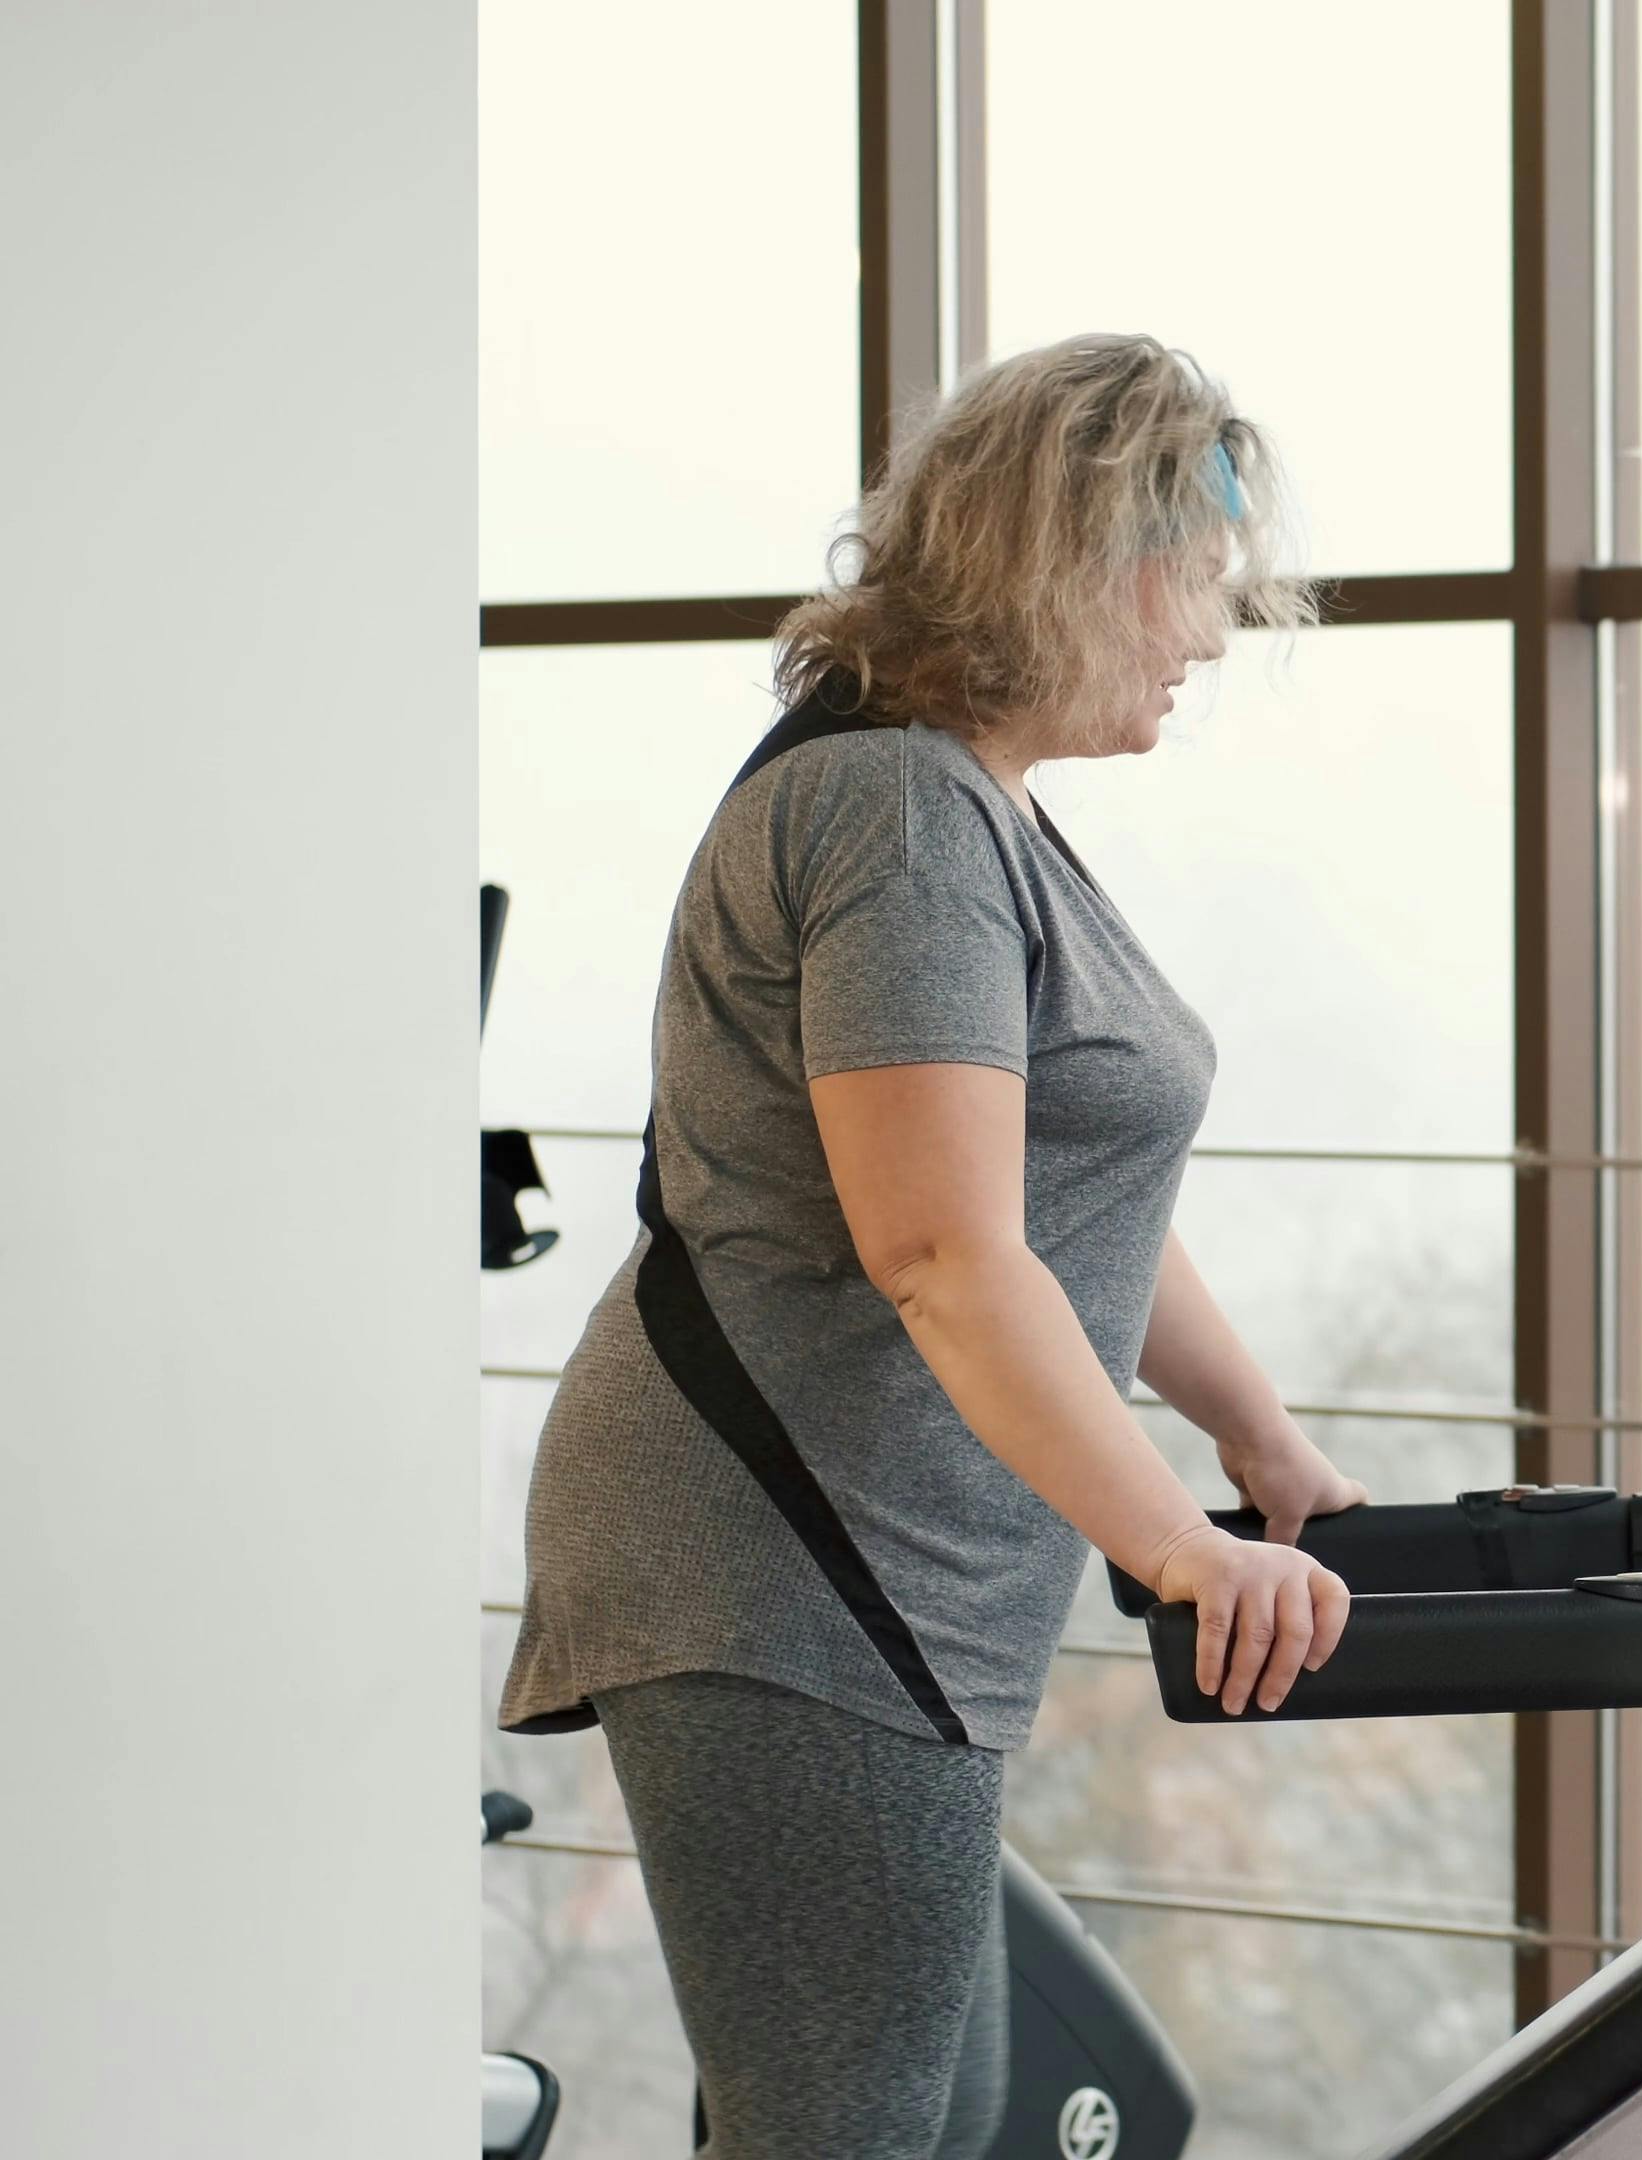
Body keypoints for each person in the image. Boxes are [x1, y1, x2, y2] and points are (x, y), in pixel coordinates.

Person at [500, 334, 1364, 2157]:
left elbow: (1066, 1197)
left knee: (930, 2113)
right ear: (1070, 559)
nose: (1207, 637)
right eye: (1192, 579)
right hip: (784, 1557)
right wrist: (1177, 1546)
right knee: (859, 2133)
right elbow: (948, 1257)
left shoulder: (974, 807)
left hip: (885, 1562)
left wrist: (1261, 1445)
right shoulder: (899, 816)